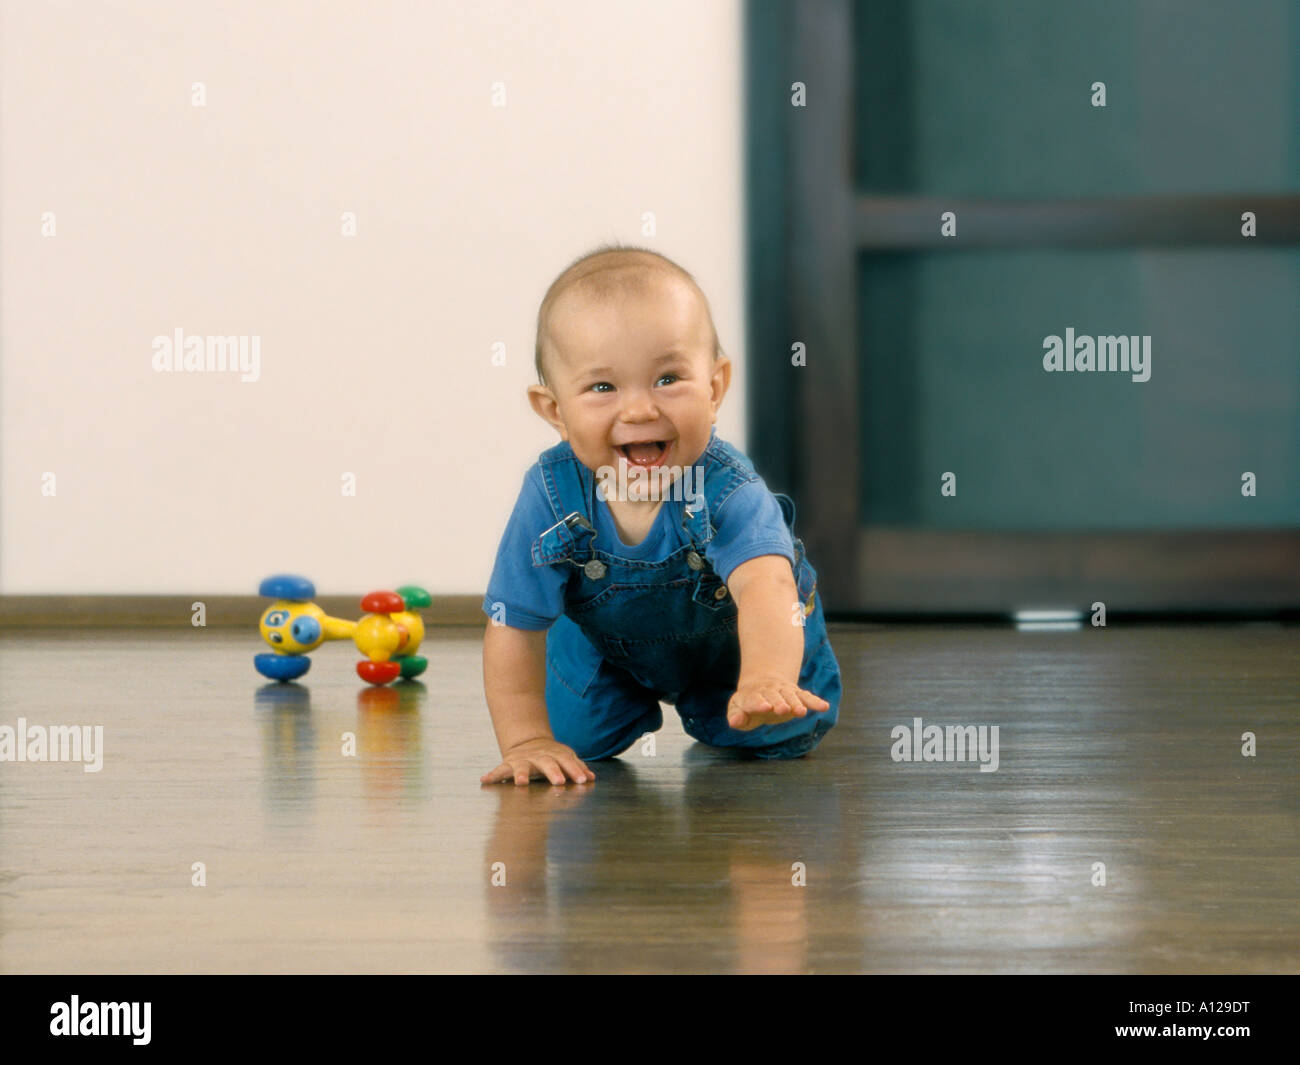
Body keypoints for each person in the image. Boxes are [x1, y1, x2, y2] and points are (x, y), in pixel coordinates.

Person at [480, 245, 841, 785]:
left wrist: (767, 676)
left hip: (740, 647)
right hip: (611, 649)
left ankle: (737, 696)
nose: (640, 409)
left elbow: (767, 588)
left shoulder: (726, 490)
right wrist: (526, 738)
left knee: (776, 730)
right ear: (555, 411)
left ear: (715, 387)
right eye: (603, 387)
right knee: (573, 743)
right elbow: (513, 623)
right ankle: (610, 689)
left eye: (668, 379)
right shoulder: (552, 496)